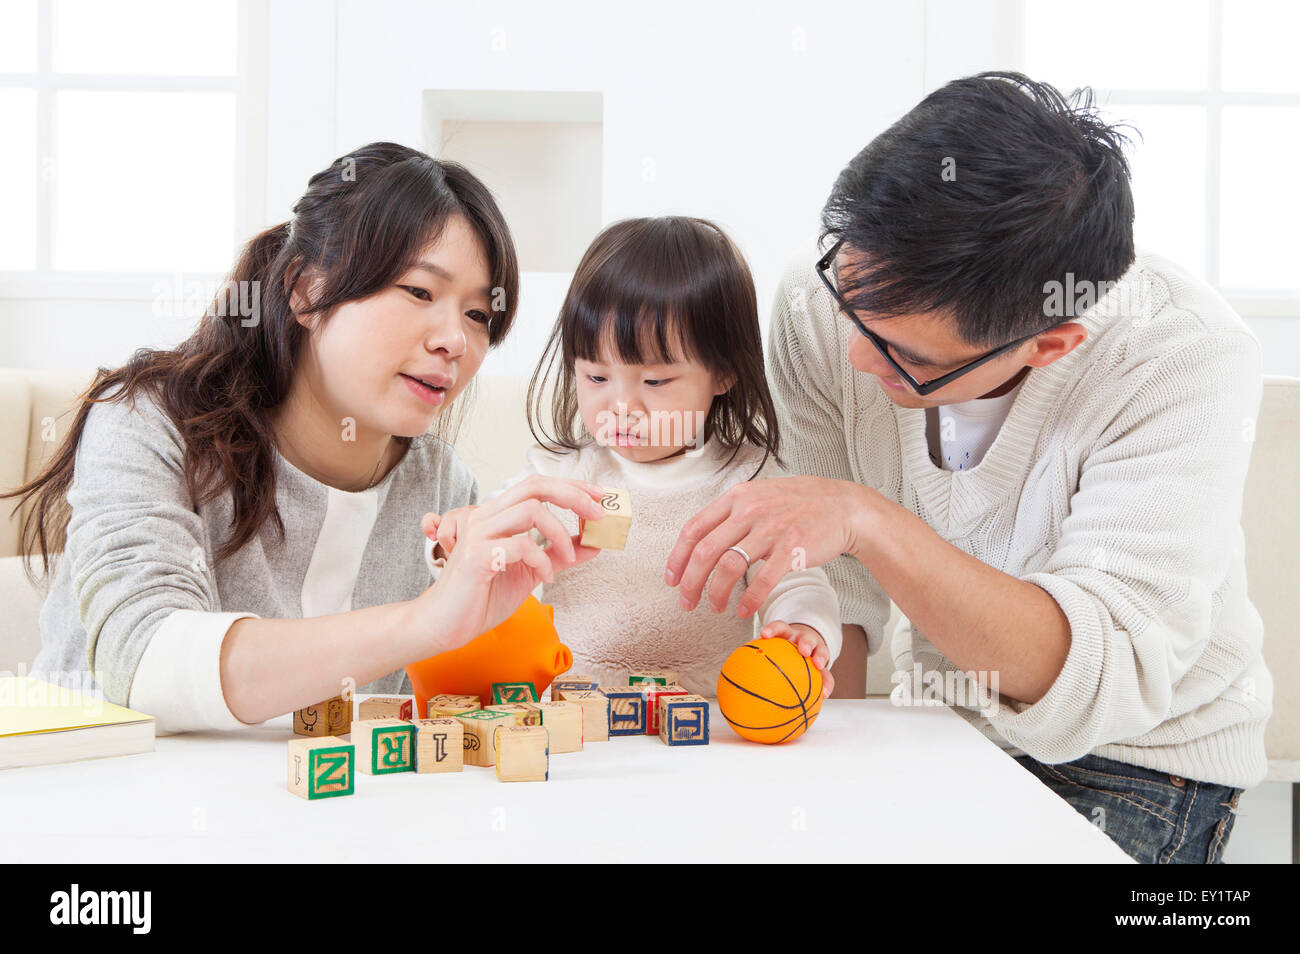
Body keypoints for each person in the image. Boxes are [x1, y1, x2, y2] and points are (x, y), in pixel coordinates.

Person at [663, 73, 1269, 863]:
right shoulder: (822, 311)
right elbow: (836, 593)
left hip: (1141, 765)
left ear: (1049, 344)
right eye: (850, 301)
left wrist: (867, 519)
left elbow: (1091, 674)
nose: (853, 352)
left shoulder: (1181, 357)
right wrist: (804, 765)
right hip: (947, 727)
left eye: (902, 354)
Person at [7, 141, 607, 733]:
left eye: (479, 315)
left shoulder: (442, 485)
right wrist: (424, 620)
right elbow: (141, 662)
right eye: (420, 292)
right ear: (306, 290)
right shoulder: (150, 422)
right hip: (102, 799)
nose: (456, 340)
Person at [426, 217, 842, 699]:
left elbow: (798, 582)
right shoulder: (561, 472)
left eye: (655, 382)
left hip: (705, 721)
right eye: (597, 378)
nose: (622, 406)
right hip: (575, 718)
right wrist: (458, 539)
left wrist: (802, 629)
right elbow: (493, 534)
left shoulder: (750, 483)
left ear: (724, 372)